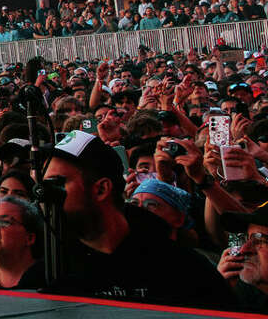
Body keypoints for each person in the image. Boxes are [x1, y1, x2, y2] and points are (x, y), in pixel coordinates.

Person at [40, 131, 234, 309]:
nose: (42, 194)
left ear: (101, 189)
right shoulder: (48, 267)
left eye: (56, 184)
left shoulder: (182, 270)